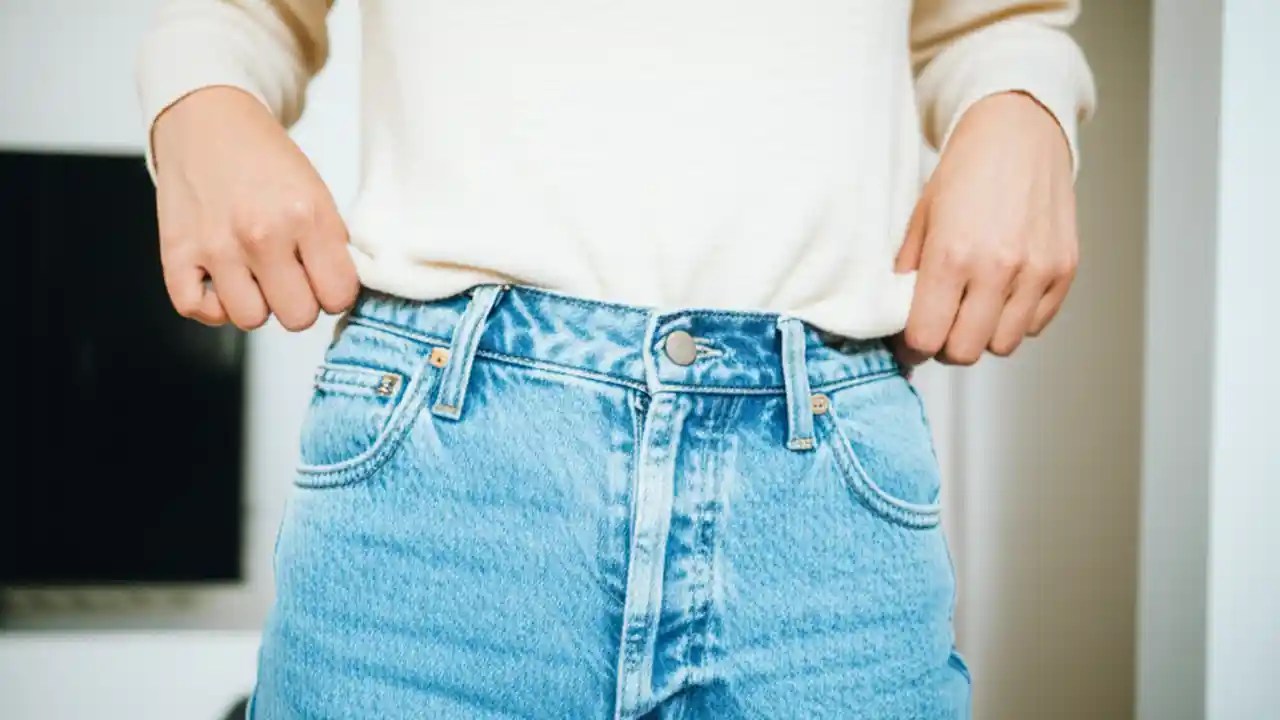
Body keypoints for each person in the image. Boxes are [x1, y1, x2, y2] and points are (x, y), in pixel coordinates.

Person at [137, 1, 1094, 717]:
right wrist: (201, 98)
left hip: (821, 488)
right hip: (439, 479)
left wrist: (1021, 104)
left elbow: (997, 23)